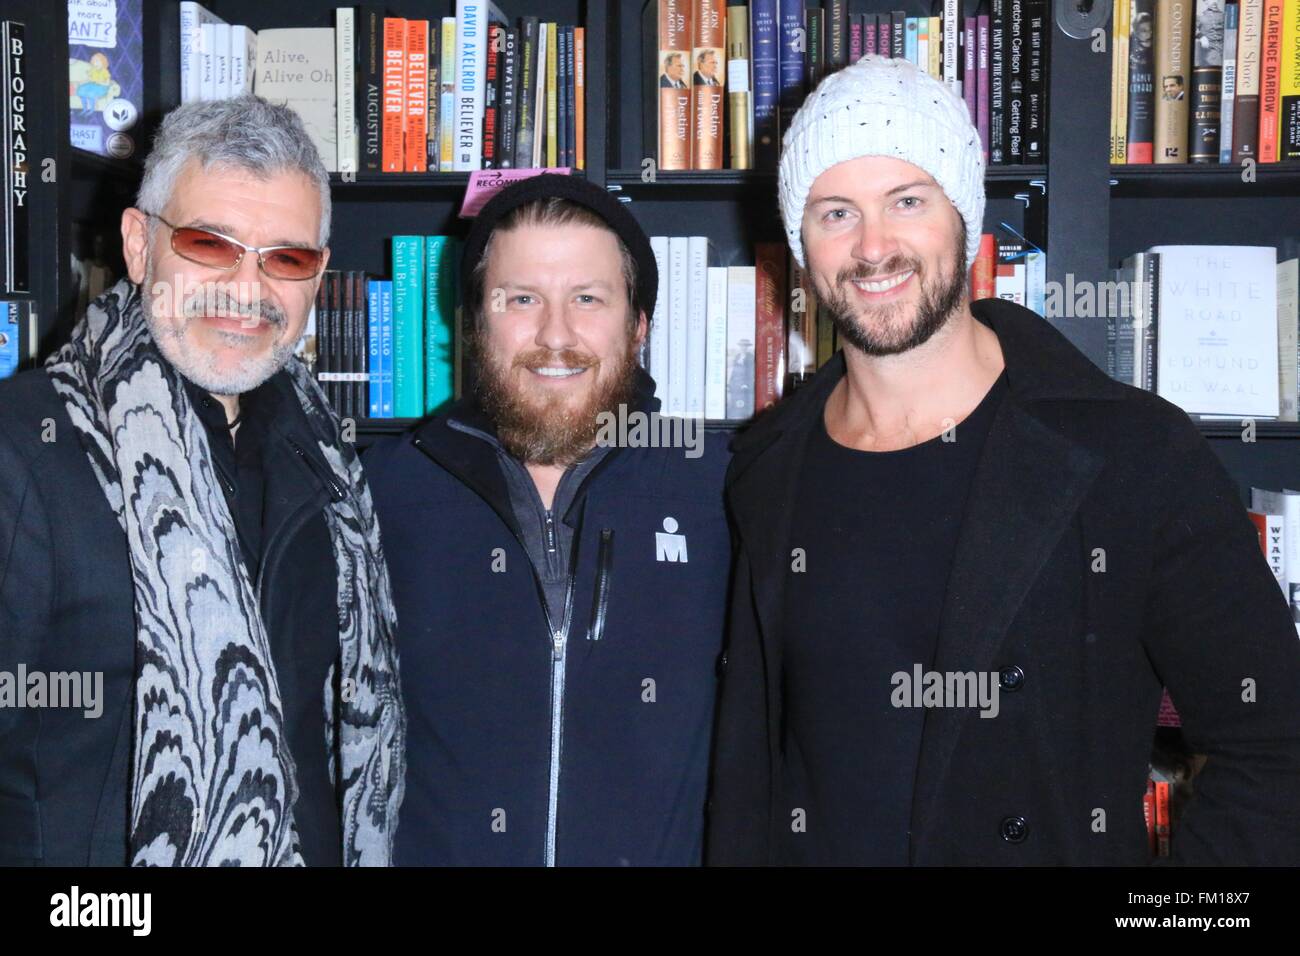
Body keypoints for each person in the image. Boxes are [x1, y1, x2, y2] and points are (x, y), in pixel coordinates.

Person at [705, 55, 1300, 866]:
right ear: (800, 243)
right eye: (835, 211)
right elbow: (751, 777)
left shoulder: (1131, 452)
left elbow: (1274, 746)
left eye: (907, 201)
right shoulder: (766, 469)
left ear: (962, 216)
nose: (873, 247)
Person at [0, 95, 405, 866]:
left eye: (285, 258)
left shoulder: (334, 468)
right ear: (139, 245)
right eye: (209, 244)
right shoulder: (20, 450)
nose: (247, 290)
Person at [365, 175, 731, 866]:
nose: (554, 335)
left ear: (639, 324)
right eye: (521, 299)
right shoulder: (380, 493)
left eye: (588, 299)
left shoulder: (724, 492)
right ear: (476, 321)